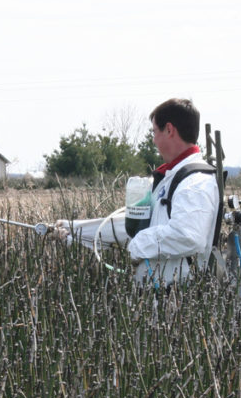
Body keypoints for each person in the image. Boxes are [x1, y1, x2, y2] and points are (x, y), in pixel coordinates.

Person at [55, 98, 220, 285]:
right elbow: (137, 227)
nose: (153, 139)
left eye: (154, 132)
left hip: (177, 298)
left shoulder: (195, 183)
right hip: (158, 293)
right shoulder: (173, 178)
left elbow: (188, 236)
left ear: (169, 129)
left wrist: (138, 245)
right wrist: (73, 230)